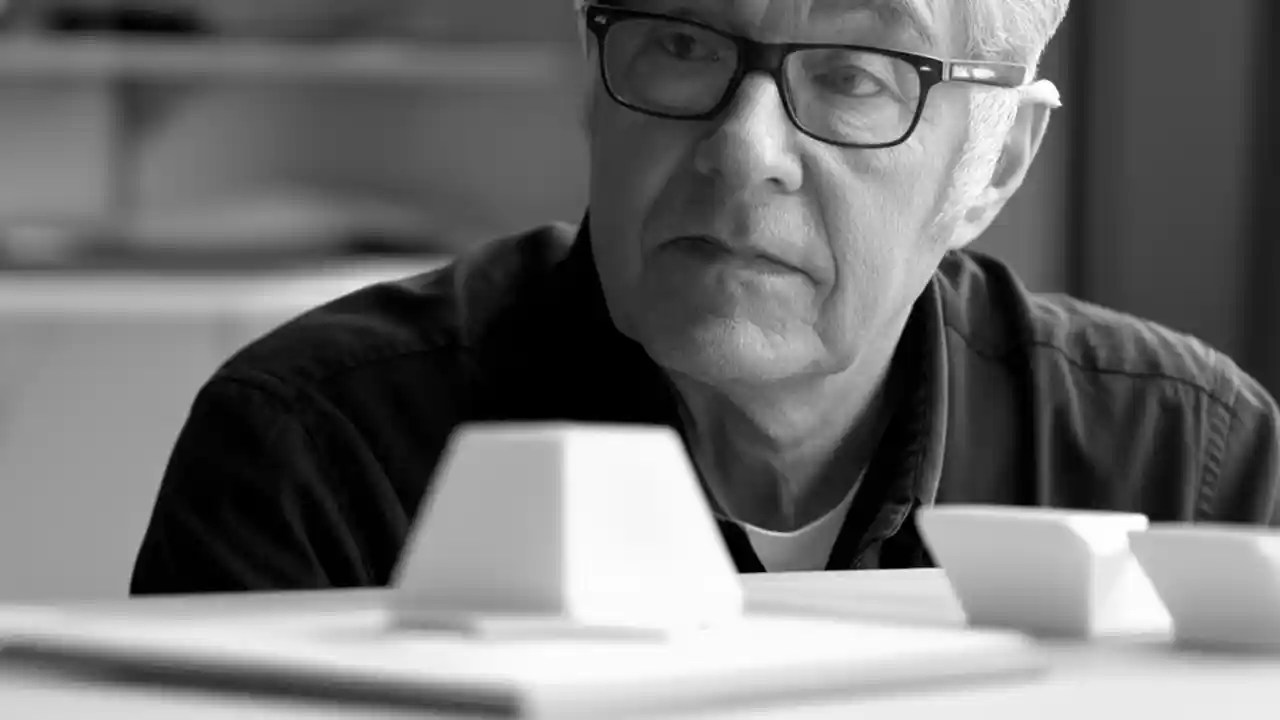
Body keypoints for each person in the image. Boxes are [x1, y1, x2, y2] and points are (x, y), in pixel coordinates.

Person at [130, 0, 1279, 594]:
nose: (742, 151)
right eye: (680, 43)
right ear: (591, 84)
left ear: (996, 168)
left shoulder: (1179, 464)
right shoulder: (319, 454)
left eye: (854, 76)